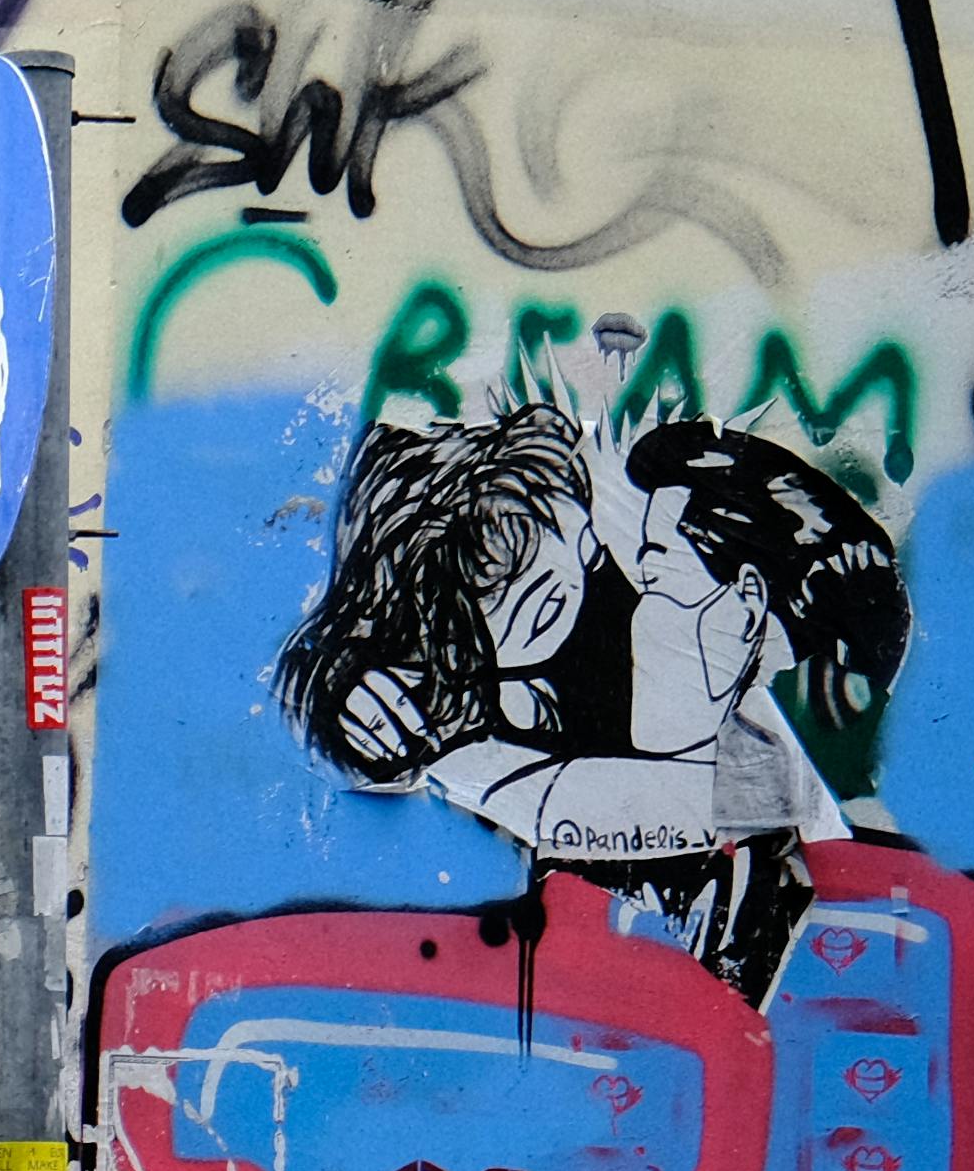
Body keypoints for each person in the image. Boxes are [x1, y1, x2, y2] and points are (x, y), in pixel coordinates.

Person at [272, 395, 907, 1002]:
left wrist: (448, 767)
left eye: (646, 568)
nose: (577, 569)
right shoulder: (473, 659)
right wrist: (332, 701)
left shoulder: (734, 727)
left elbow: (606, 805)